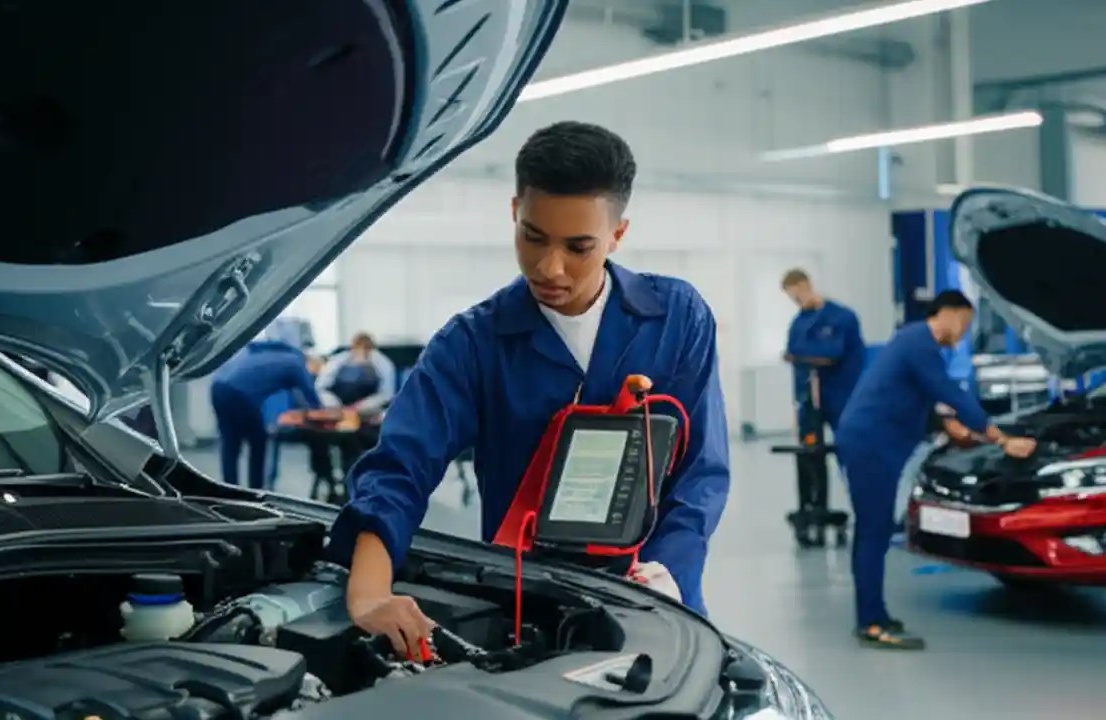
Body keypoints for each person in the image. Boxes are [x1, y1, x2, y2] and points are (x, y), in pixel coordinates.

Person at [326, 120, 730, 658]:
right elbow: (399, 467)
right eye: (532, 237)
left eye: (579, 247)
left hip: (659, 600)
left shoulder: (677, 318)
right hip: (528, 604)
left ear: (618, 235)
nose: (549, 266)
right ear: (515, 211)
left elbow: (700, 470)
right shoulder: (473, 343)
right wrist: (371, 592)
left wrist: (668, 578)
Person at [835, 290, 1036, 650]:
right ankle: (870, 622)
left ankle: (873, 613)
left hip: (872, 441)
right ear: (948, 312)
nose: (964, 332)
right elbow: (948, 391)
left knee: (874, 531)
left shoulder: (912, 341)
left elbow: (916, 394)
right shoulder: (919, 343)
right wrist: (1001, 439)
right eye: (965, 322)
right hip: (871, 445)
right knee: (873, 531)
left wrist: (947, 425)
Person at [211, 337, 322, 490]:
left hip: (218, 385)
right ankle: (256, 489)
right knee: (258, 440)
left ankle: (229, 488)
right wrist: (322, 412)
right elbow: (310, 396)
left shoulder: (277, 351)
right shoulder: (297, 363)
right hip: (241, 393)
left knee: (230, 441)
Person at [307, 333, 399, 501]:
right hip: (336, 414)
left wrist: (361, 407)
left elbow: (386, 394)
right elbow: (321, 387)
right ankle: (328, 481)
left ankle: (352, 487)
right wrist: (334, 404)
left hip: (367, 417)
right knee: (316, 437)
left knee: (354, 442)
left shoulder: (383, 364)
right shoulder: (338, 361)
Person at [781, 269, 865, 431]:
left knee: (848, 442)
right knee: (809, 446)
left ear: (805, 285)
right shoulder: (799, 323)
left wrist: (802, 356)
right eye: (793, 299)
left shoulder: (842, 317)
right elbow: (791, 354)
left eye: (798, 297)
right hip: (809, 398)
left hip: (842, 394)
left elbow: (831, 355)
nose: (797, 302)